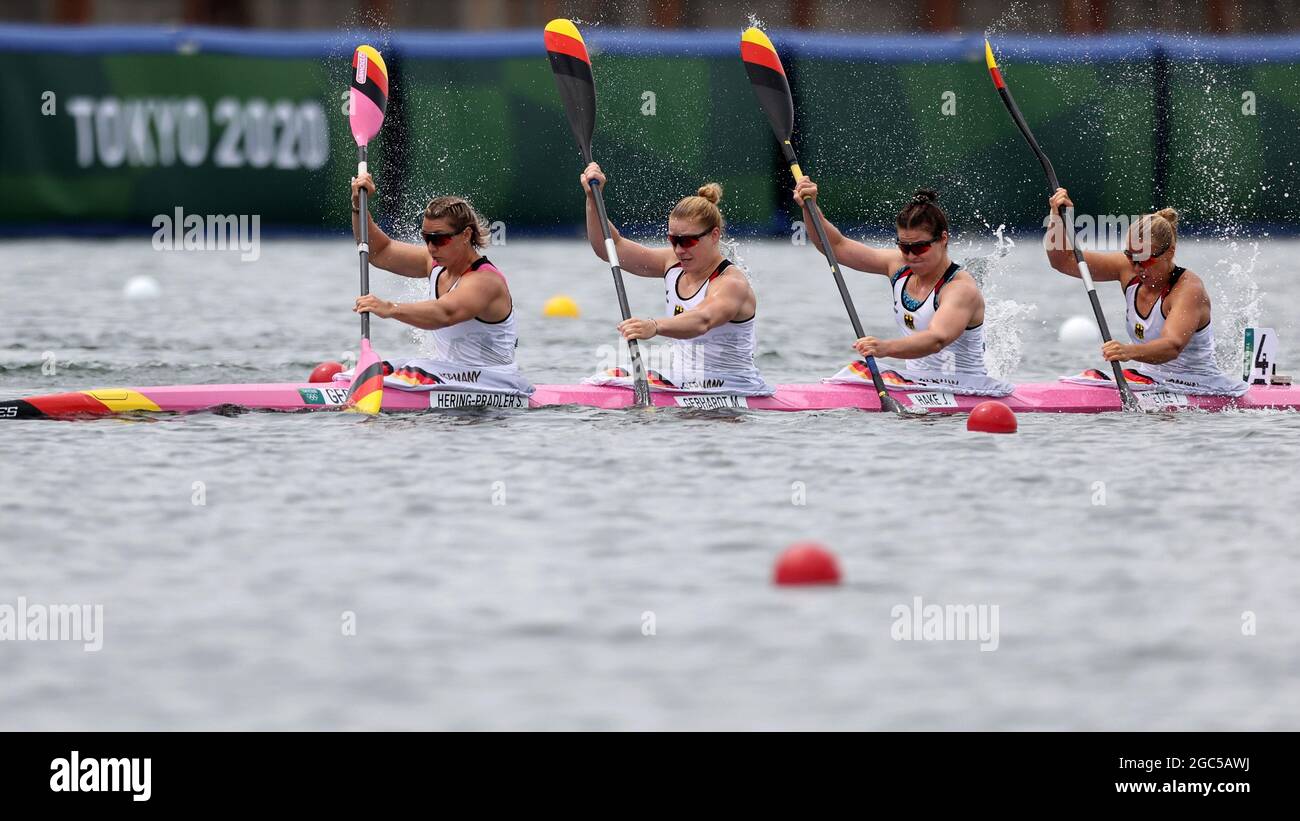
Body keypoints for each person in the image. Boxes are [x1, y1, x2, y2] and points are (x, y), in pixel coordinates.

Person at [792, 180, 1012, 395]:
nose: (910, 256)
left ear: (943, 239)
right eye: (904, 247)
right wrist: (810, 208)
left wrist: (885, 348)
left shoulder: (959, 289)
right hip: (918, 386)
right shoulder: (898, 266)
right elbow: (837, 246)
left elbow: (937, 339)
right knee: (857, 370)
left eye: (920, 247)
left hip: (967, 390)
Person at [578, 162, 772, 396]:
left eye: (688, 241)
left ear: (714, 235)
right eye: (673, 240)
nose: (679, 250)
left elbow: (702, 320)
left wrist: (655, 326)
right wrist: (592, 199)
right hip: (685, 383)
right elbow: (611, 248)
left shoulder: (731, 283)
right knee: (606, 377)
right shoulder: (672, 263)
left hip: (731, 387)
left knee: (607, 381)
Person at [341, 172, 533, 396]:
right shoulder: (434, 264)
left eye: (440, 239)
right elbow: (379, 251)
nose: (432, 248)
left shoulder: (485, 281)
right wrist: (358, 208)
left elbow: (445, 313)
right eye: (426, 238)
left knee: (412, 370)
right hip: (450, 377)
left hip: (493, 381)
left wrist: (390, 309)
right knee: (360, 372)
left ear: (466, 235)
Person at [1045, 188, 1246, 396]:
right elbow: (1063, 261)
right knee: (1091, 375)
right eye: (1130, 257)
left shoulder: (1188, 290)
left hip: (1197, 384)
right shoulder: (1128, 268)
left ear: (1170, 252)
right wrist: (1058, 220)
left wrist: (1127, 351)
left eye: (1144, 260)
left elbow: (1172, 346)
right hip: (1147, 380)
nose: (1136, 267)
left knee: (1121, 375)